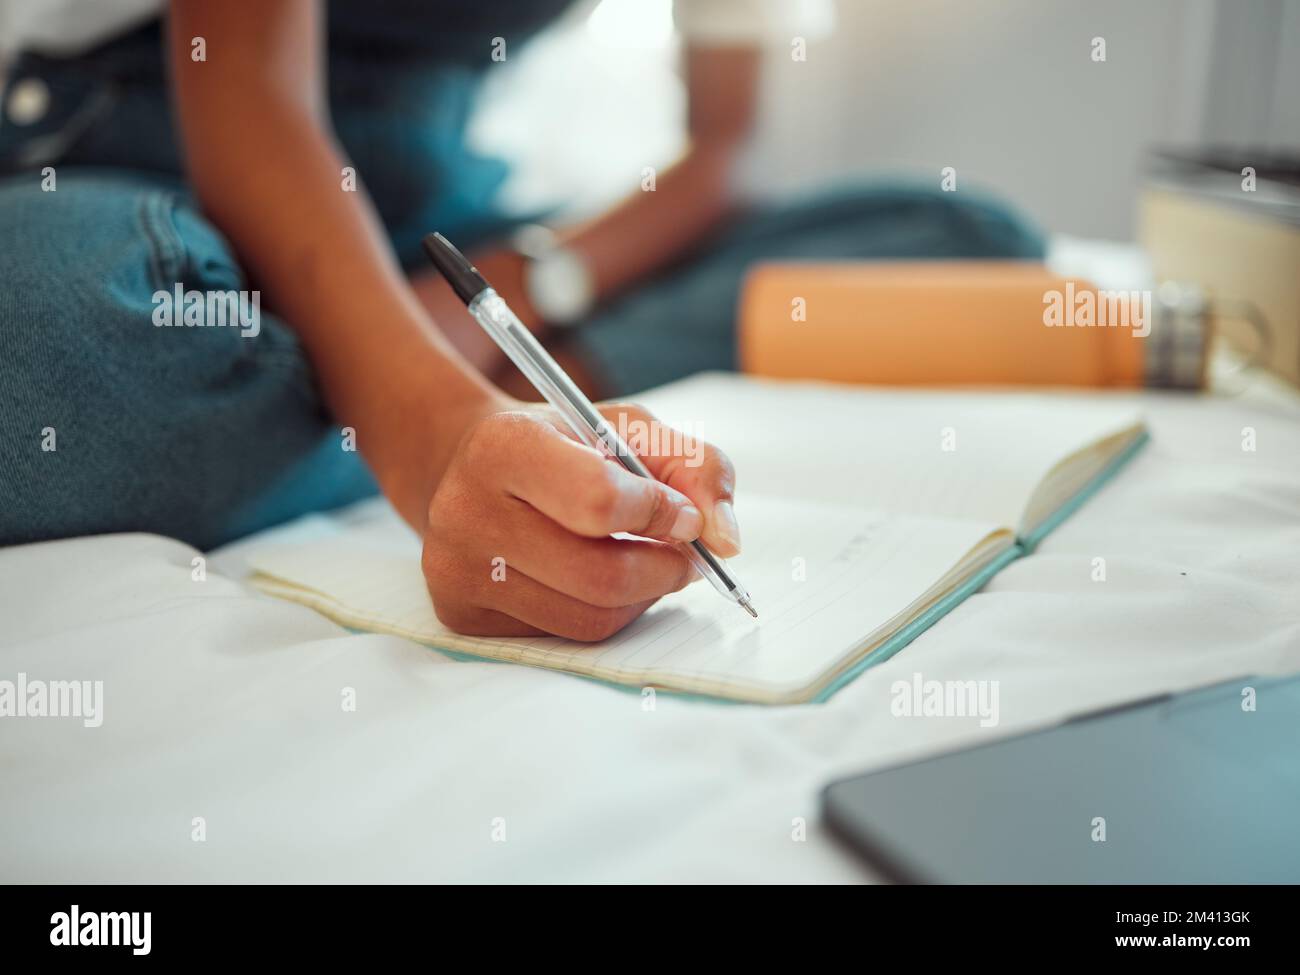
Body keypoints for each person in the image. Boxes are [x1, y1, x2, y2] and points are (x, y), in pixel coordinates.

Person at [0, 0, 1043, 640]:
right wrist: (432, 435)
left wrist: (527, 287)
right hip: (159, 170)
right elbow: (247, 85)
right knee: (53, 337)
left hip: (429, 210)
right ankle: (416, 390)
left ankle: (423, 377)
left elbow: (734, 149)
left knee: (950, 231)